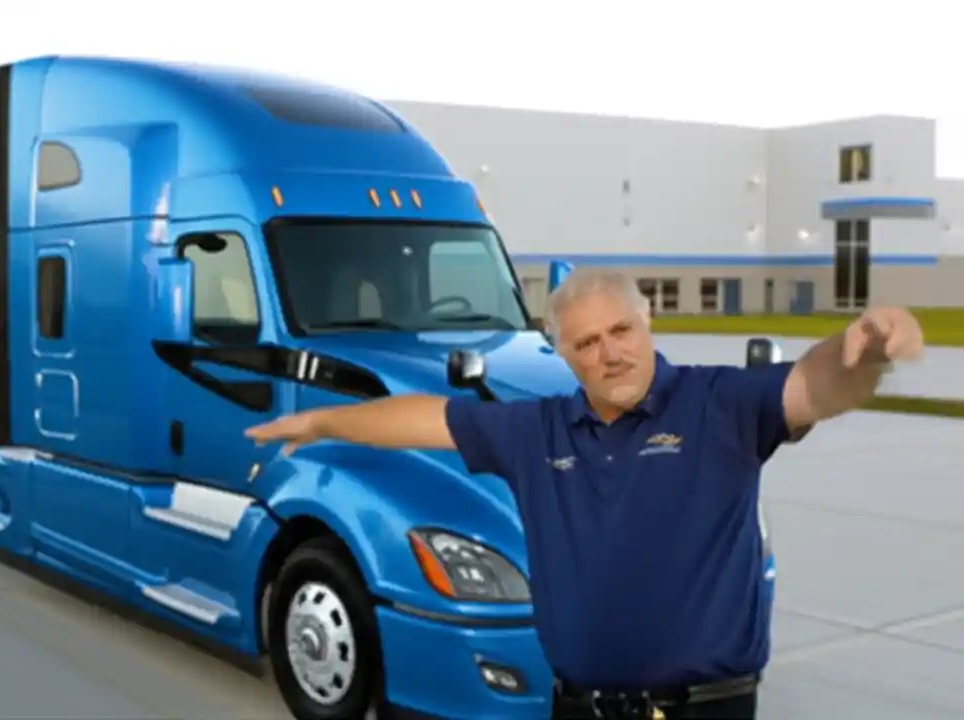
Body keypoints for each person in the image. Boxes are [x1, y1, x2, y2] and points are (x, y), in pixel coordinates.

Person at [245, 268, 924, 720]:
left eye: (621, 331)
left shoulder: (721, 404)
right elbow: (422, 417)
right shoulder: (535, 429)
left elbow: (811, 387)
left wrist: (862, 348)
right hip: (577, 708)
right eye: (587, 343)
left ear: (647, 321)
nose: (610, 353)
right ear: (564, 354)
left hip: (701, 709)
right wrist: (322, 420)